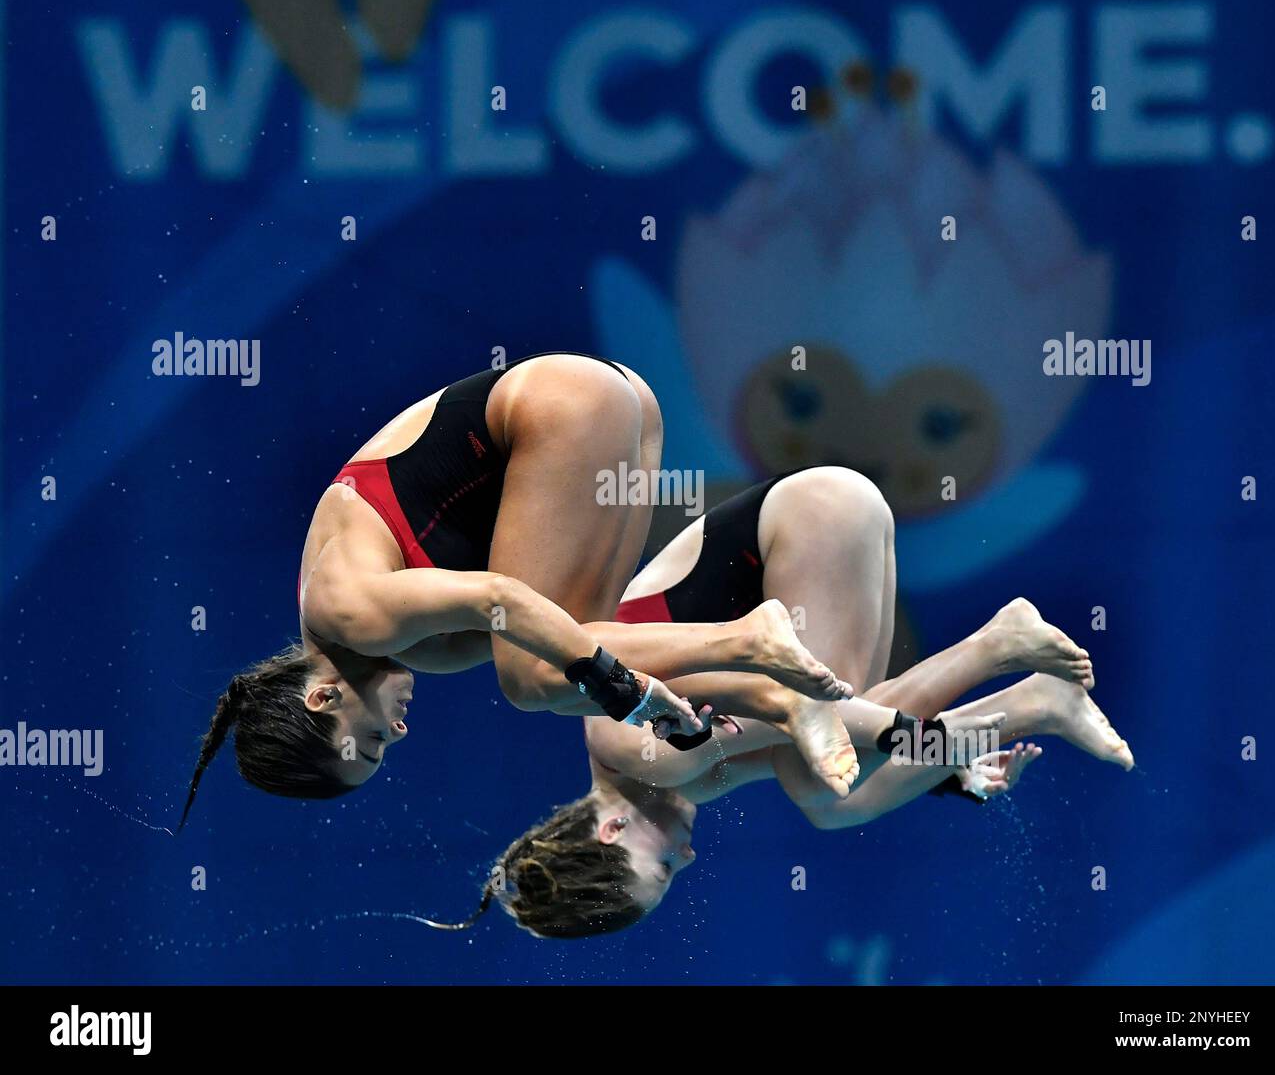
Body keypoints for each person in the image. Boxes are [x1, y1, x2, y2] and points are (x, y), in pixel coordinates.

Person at [179, 355, 858, 831]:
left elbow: (499, 594)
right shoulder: (421, 647)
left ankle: (752, 637)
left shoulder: (344, 610)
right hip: (614, 405)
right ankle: (779, 697)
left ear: (321, 696)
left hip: (563, 405)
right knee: (558, 678)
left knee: (536, 675)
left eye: (374, 741)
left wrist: (628, 693)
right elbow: (567, 636)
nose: (399, 729)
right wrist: (640, 696)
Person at [471, 467, 1132, 938]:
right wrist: (946, 769)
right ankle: (1038, 698)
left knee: (822, 730)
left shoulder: (628, 744)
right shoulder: (673, 778)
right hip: (832, 521)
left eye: (664, 865)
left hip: (812, 517)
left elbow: (814, 709)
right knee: (826, 796)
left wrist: (936, 746)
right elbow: (814, 743)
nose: (689, 857)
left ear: (610, 831)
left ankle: (1003, 648)